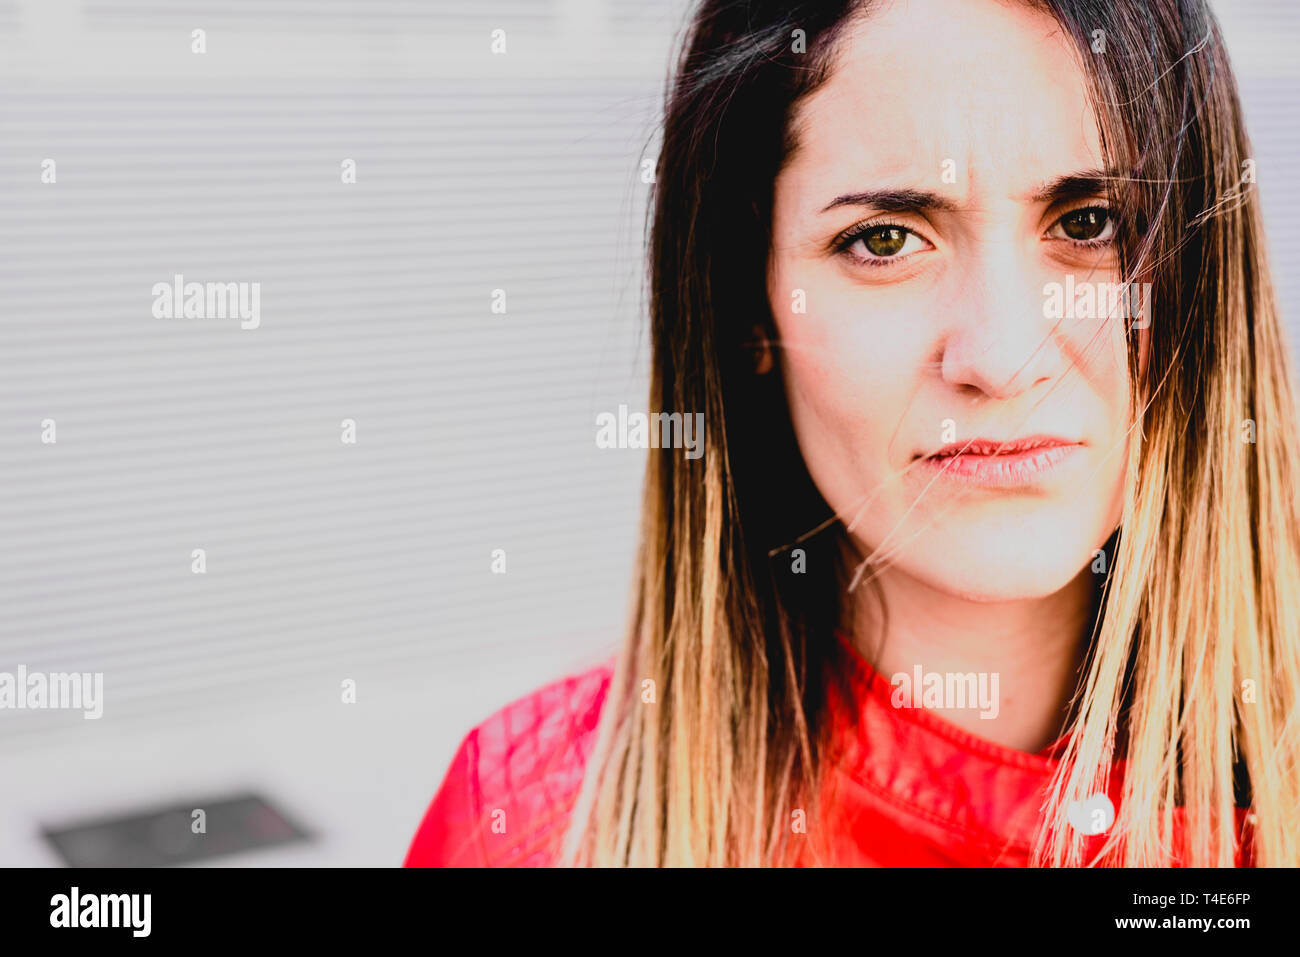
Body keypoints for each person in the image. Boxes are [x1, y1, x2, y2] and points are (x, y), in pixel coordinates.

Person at [405, 0, 1300, 867]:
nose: (999, 355)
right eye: (884, 240)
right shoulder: (534, 826)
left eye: (1090, 223)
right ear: (747, 308)